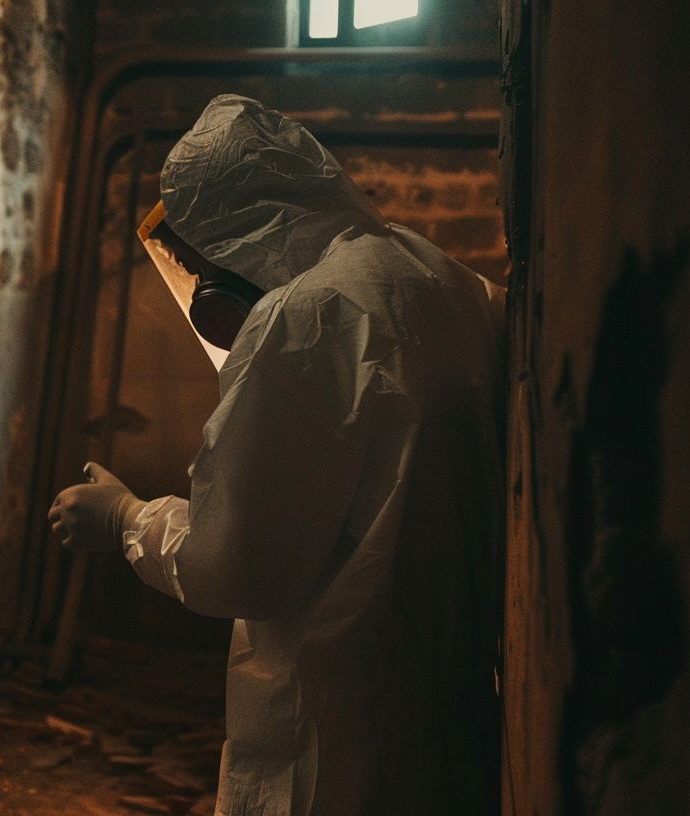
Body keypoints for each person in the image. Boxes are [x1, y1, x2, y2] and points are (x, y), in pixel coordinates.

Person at [49, 95, 505, 815]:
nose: (207, 291)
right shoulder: (443, 278)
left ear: (240, 232)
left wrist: (126, 519)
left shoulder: (301, 316)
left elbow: (235, 565)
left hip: (334, 731)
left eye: (206, 264)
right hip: (448, 717)